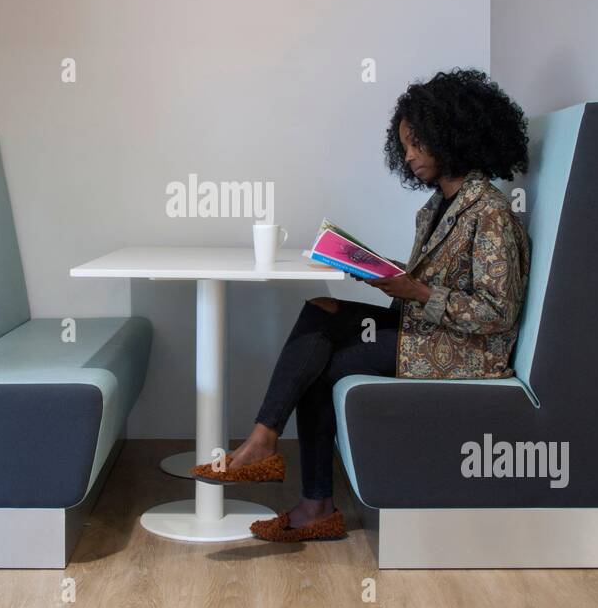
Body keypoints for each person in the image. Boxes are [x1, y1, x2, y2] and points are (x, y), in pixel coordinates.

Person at [190, 68, 531, 542]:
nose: (409, 156)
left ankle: (310, 499)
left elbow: (498, 312)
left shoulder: (489, 210)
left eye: (417, 143)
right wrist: (380, 270)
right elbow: (428, 283)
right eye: (404, 146)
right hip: (429, 329)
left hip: (467, 351)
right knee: (322, 309)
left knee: (323, 365)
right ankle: (266, 443)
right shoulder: (436, 208)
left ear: (451, 135)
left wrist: (418, 292)